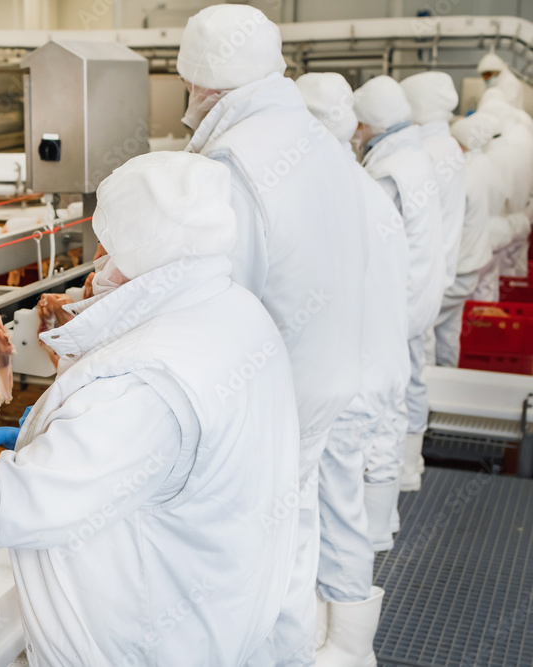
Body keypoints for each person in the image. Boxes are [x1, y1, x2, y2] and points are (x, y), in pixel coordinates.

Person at [0, 151, 301, 666]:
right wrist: (40, 441)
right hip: (218, 609)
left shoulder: (142, 383)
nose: (100, 262)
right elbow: (174, 457)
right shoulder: (233, 310)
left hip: (150, 641)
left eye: (108, 246)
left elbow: (11, 506)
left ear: (140, 249)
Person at [177, 7, 368, 664]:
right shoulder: (312, 140)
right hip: (321, 379)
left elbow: (216, 306)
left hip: (271, 395)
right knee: (290, 544)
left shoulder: (235, 161)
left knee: (238, 568)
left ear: (201, 84)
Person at [297, 72, 408, 665]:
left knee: (332, 508)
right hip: (376, 364)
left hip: (345, 380)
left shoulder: (326, 194)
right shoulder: (361, 186)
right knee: (342, 506)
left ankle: (340, 645)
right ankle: (339, 637)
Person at [353, 76, 444, 501]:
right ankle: (400, 482)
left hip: (399, 303)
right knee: (403, 389)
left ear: (370, 123)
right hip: (418, 294)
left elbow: (371, 246)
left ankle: (381, 509)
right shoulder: (413, 156)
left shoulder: (389, 172)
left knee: (384, 405)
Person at [400, 72, 467, 365]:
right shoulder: (447, 145)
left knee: (417, 357)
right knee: (437, 343)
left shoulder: (426, 152)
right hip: (441, 267)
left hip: (422, 273)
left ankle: (424, 410)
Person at [445, 112, 500, 359]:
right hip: (476, 258)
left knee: (424, 327)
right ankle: (448, 372)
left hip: (463, 265)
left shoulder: (462, 173)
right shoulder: (480, 167)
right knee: (450, 328)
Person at [478, 89, 533, 279]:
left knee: (493, 285)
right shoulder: (522, 138)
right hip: (521, 221)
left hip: (502, 227)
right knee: (514, 278)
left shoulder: (497, 153)